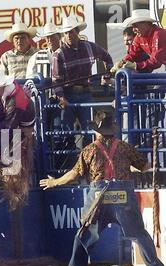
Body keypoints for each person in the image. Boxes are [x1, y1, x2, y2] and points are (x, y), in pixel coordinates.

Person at [39, 110, 166, 266]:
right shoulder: (125, 147)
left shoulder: (89, 150)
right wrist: (129, 167)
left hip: (99, 195)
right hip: (123, 194)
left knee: (85, 234)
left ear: (96, 131)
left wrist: (54, 182)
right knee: (139, 233)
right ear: (112, 129)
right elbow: (145, 166)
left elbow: (73, 175)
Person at [52, 14, 113, 167]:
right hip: (68, 95)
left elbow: (107, 57)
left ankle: (90, 166)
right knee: (66, 133)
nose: (69, 35)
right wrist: (60, 96)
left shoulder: (89, 46)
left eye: (71, 31)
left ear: (77, 31)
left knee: (89, 132)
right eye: (66, 32)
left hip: (85, 92)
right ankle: (69, 169)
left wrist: (106, 76)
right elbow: (55, 80)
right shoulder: (58, 54)